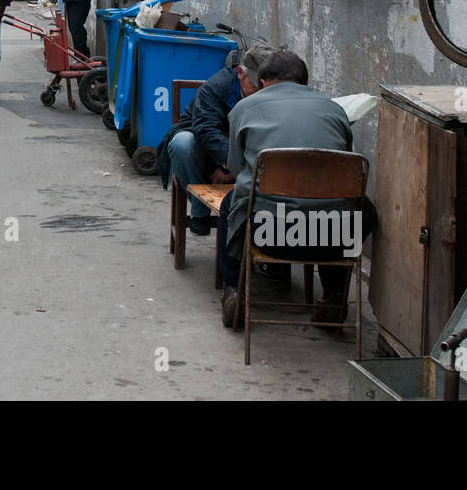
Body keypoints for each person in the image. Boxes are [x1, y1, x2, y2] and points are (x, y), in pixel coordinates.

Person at [216, 51, 377, 327]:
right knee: (362, 208)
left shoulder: (244, 109)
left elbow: (235, 165)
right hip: (331, 236)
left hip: (268, 232)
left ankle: (233, 289)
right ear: (305, 82)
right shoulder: (334, 110)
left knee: (230, 203)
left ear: (263, 81)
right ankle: (333, 295)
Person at [158, 44, 274, 236]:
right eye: (254, 86)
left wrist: (233, 167)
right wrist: (229, 164)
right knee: (182, 143)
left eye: (263, 87)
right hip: (208, 156)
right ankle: (199, 211)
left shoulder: (272, 95)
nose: (259, 93)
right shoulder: (216, 86)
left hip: (246, 160)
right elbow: (206, 130)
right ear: (239, 73)